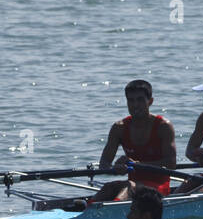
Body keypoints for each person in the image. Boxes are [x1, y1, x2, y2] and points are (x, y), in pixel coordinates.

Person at [39, 80, 177, 210]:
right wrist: (115, 168)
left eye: (140, 100)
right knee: (109, 187)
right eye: (131, 100)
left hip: (159, 188)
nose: (135, 105)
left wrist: (137, 164)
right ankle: (87, 210)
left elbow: (171, 164)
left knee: (128, 186)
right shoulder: (119, 128)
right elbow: (104, 163)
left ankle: (108, 211)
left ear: (150, 101)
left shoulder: (163, 126)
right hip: (134, 186)